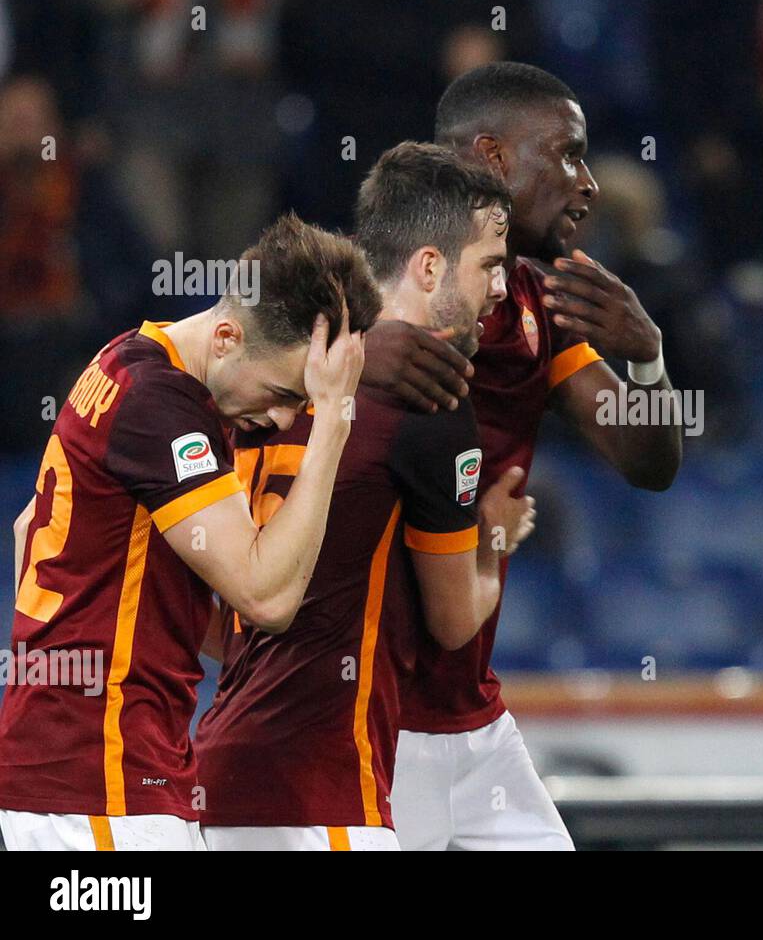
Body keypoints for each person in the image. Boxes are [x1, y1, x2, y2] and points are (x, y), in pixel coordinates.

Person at [371, 62, 683, 850]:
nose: (588, 184)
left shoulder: (538, 308)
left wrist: (646, 357)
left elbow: (649, 462)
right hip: (366, 719)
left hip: (473, 718)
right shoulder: (358, 304)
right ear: (494, 157)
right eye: (568, 155)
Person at [194, 143, 537, 851]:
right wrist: (495, 537)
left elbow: (210, 615)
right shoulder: (431, 400)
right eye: (491, 265)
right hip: (326, 789)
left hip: (221, 771)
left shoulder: (260, 379)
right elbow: (452, 623)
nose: (501, 289)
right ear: (431, 265)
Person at [0, 213, 379, 849]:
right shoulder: (163, 406)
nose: (286, 416)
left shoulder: (123, 359)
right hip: (100, 783)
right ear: (227, 336)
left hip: (81, 771)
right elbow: (266, 597)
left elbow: (23, 533)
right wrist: (335, 425)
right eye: (287, 391)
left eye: (307, 406)